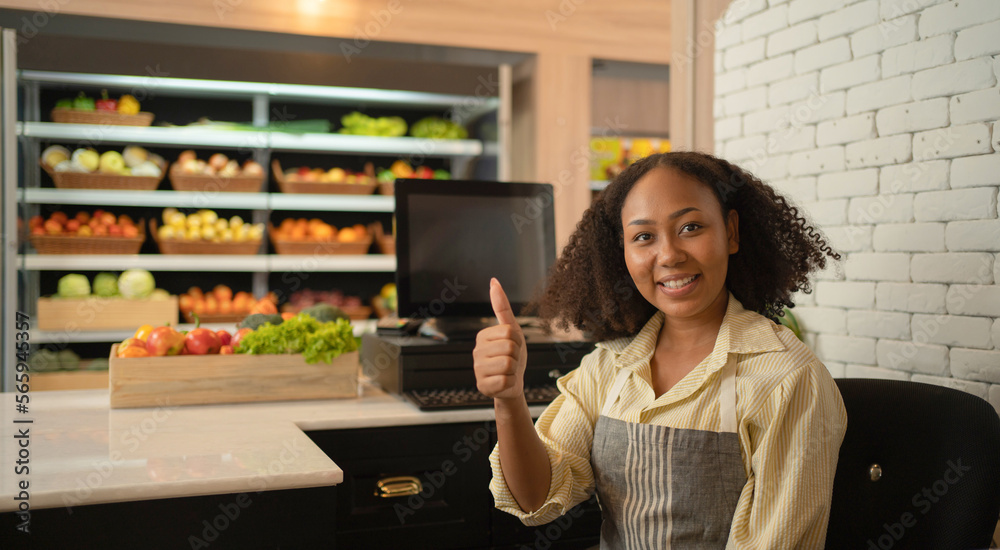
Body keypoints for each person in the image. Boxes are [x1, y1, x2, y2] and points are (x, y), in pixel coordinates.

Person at [473, 151, 848, 549]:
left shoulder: (787, 378)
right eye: (644, 237)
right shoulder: (608, 365)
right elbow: (536, 498)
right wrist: (509, 400)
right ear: (623, 252)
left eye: (690, 227)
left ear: (731, 232)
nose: (668, 255)